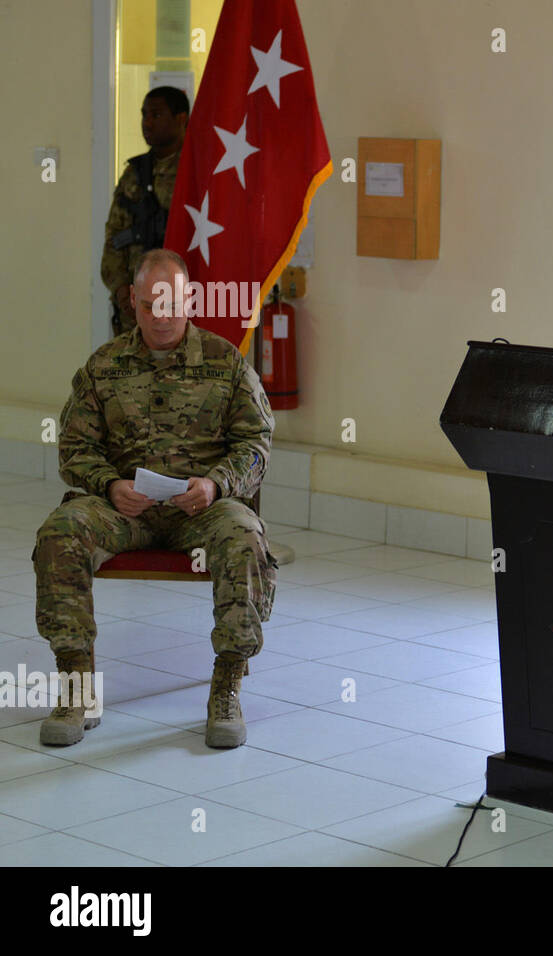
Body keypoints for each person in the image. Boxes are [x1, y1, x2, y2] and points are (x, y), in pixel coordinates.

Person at [34, 248, 276, 749]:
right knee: (61, 532)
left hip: (201, 508)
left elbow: (256, 445)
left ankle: (227, 683)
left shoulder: (224, 363)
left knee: (245, 533)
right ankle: (77, 686)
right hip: (126, 510)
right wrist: (108, 484)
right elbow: (74, 446)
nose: (160, 317)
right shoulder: (105, 366)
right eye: (149, 306)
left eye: (170, 304)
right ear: (132, 301)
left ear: (190, 298)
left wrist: (215, 484)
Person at [101, 87, 189, 336]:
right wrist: (121, 291)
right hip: (137, 311)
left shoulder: (197, 172)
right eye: (144, 115)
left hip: (184, 310)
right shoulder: (135, 174)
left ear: (180, 118)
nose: (147, 123)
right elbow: (114, 238)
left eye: (156, 115)